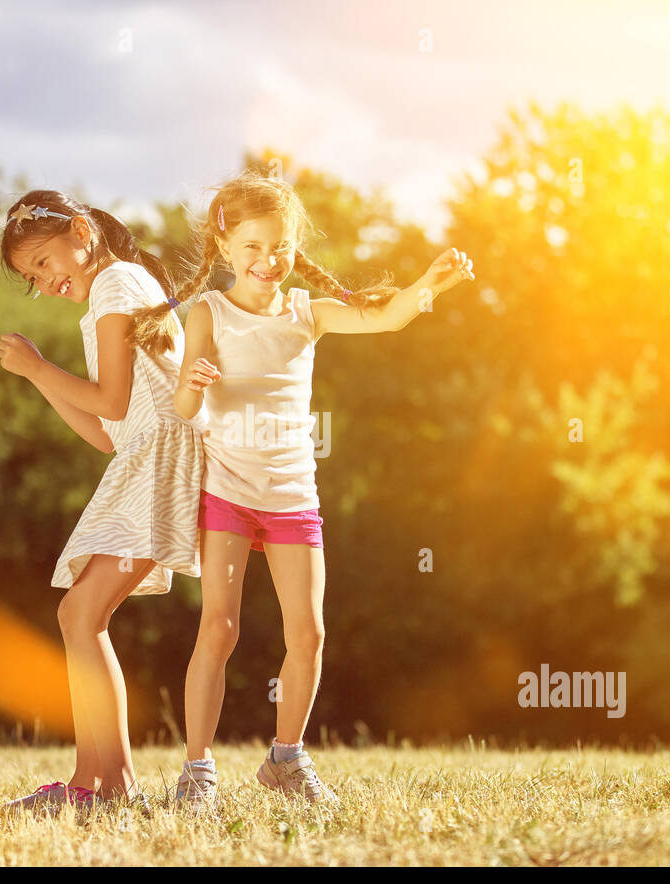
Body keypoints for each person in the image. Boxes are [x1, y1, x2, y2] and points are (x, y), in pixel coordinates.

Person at [127, 170, 474, 806]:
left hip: (291, 497)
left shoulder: (305, 313)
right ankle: (197, 769)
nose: (268, 260)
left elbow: (387, 318)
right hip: (227, 491)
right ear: (225, 245)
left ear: (295, 248)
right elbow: (182, 406)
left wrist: (427, 285)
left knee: (308, 634)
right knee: (220, 629)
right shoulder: (208, 313)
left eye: (280, 246)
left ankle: (285, 760)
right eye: (253, 247)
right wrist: (194, 381)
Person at [0, 190, 206, 813]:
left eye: (43, 259)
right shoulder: (112, 295)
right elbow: (104, 431)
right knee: (77, 617)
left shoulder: (116, 282)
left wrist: (38, 369)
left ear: (81, 232)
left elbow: (110, 402)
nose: (45, 278)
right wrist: (42, 380)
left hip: (163, 457)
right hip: (140, 455)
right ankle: (91, 782)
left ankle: (111, 788)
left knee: (81, 615)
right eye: (32, 276)